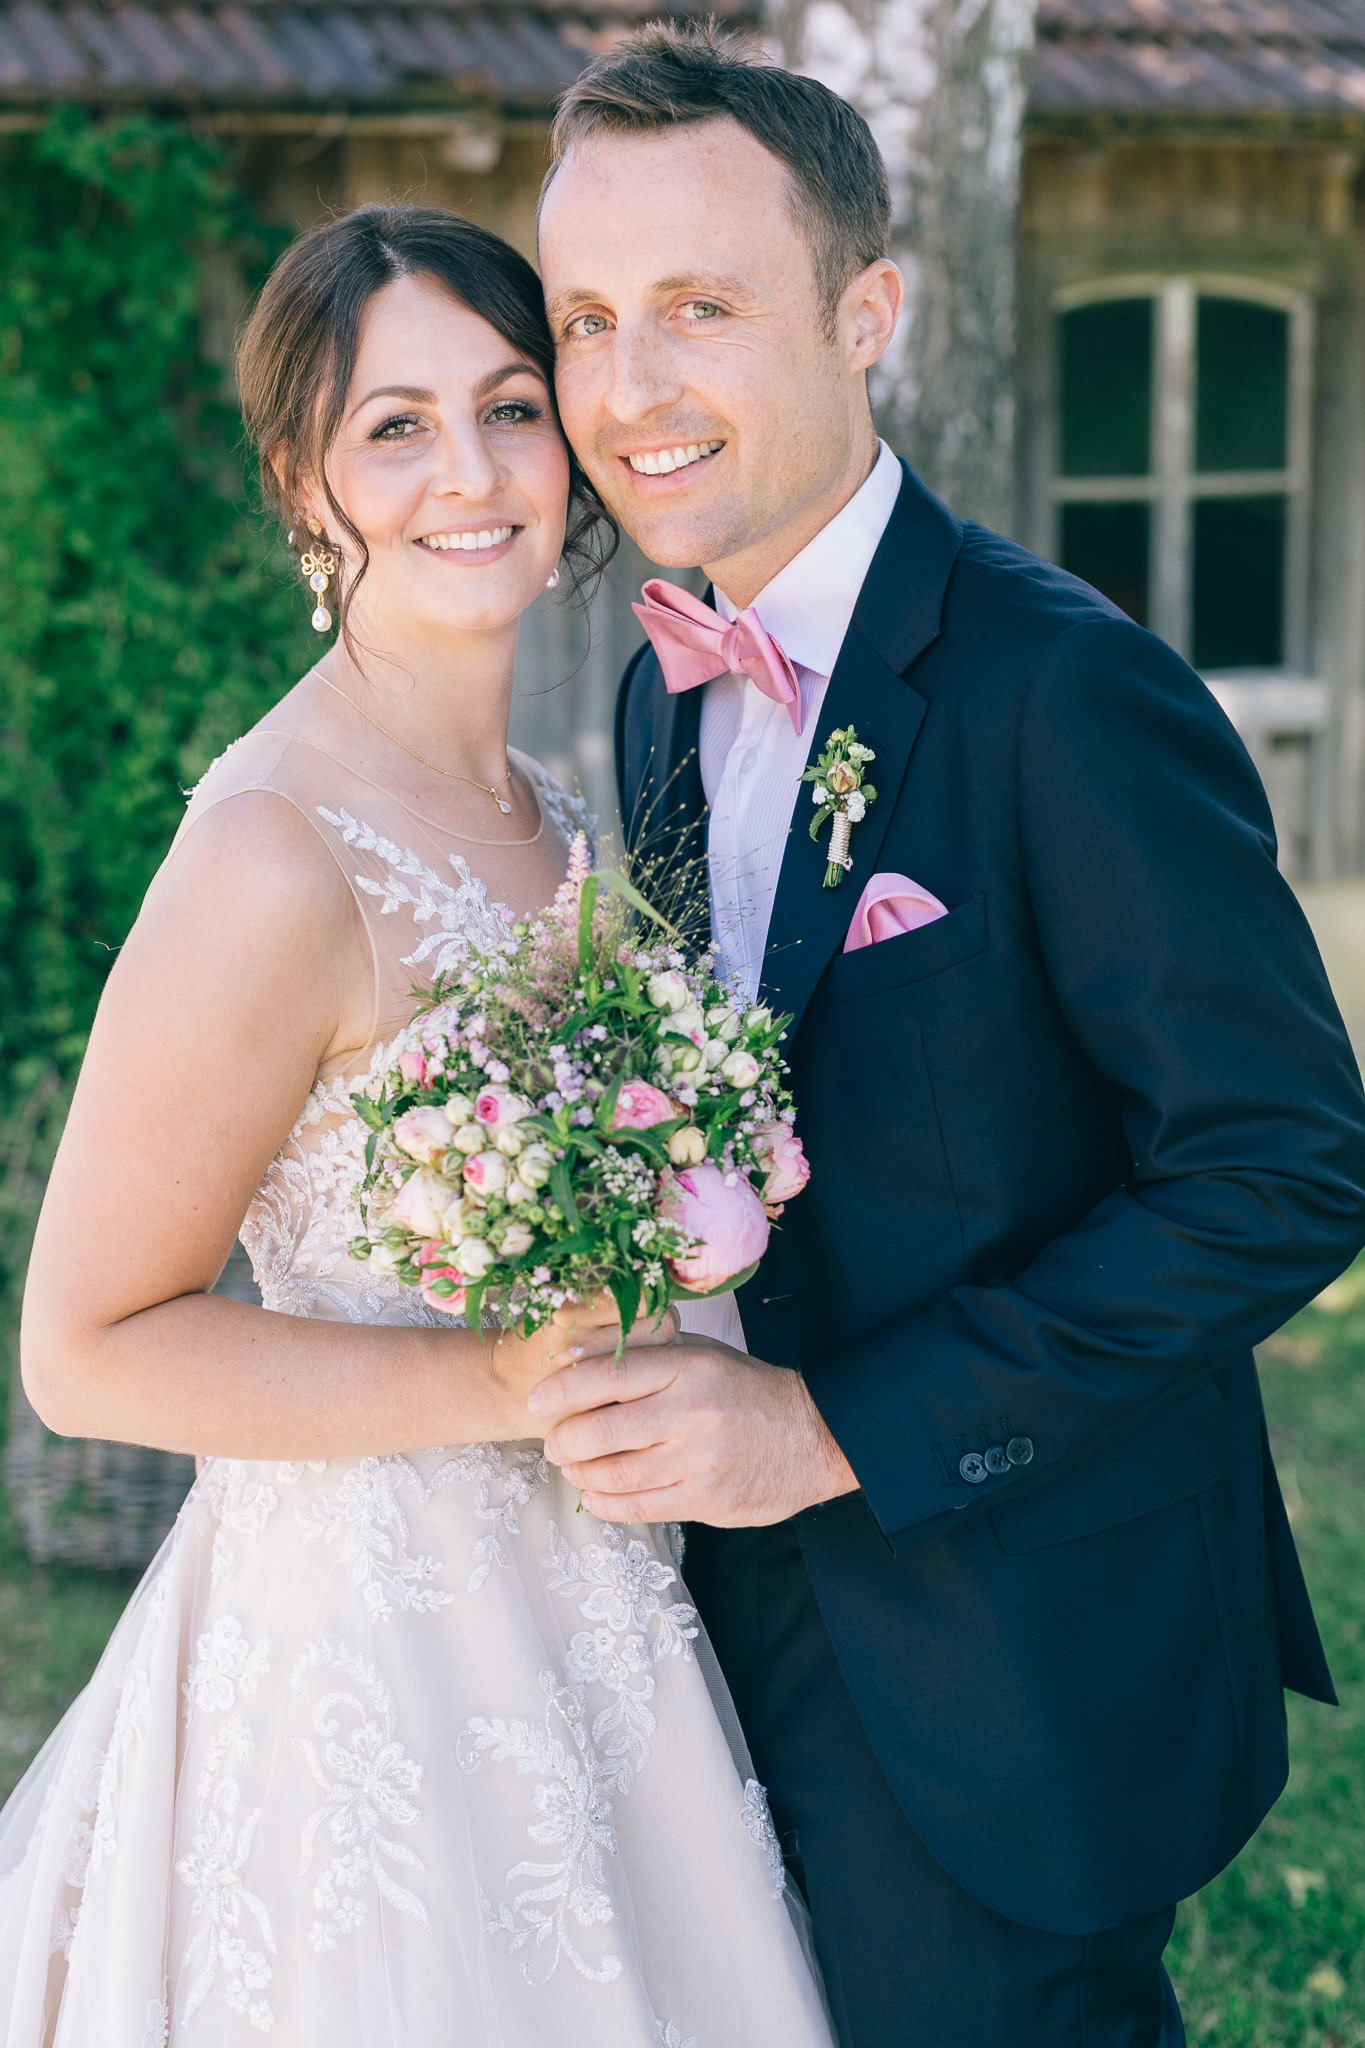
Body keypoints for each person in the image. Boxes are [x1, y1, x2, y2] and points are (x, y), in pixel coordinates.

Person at [531, 25, 1365, 2048]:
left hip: (1010, 1644)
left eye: (698, 309)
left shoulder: (1059, 692)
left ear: (865, 311)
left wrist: (826, 1430)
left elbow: (1279, 1169)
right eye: (584, 320)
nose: (627, 390)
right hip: (715, 1617)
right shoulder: (658, 690)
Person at [0, 204, 835, 2047]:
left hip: (600, 1622)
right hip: (366, 1678)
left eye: (512, 406)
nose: (471, 470)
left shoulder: (560, 810)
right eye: (396, 425)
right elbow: (84, 1351)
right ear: (309, 483)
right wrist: (507, 1385)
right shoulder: (271, 849)